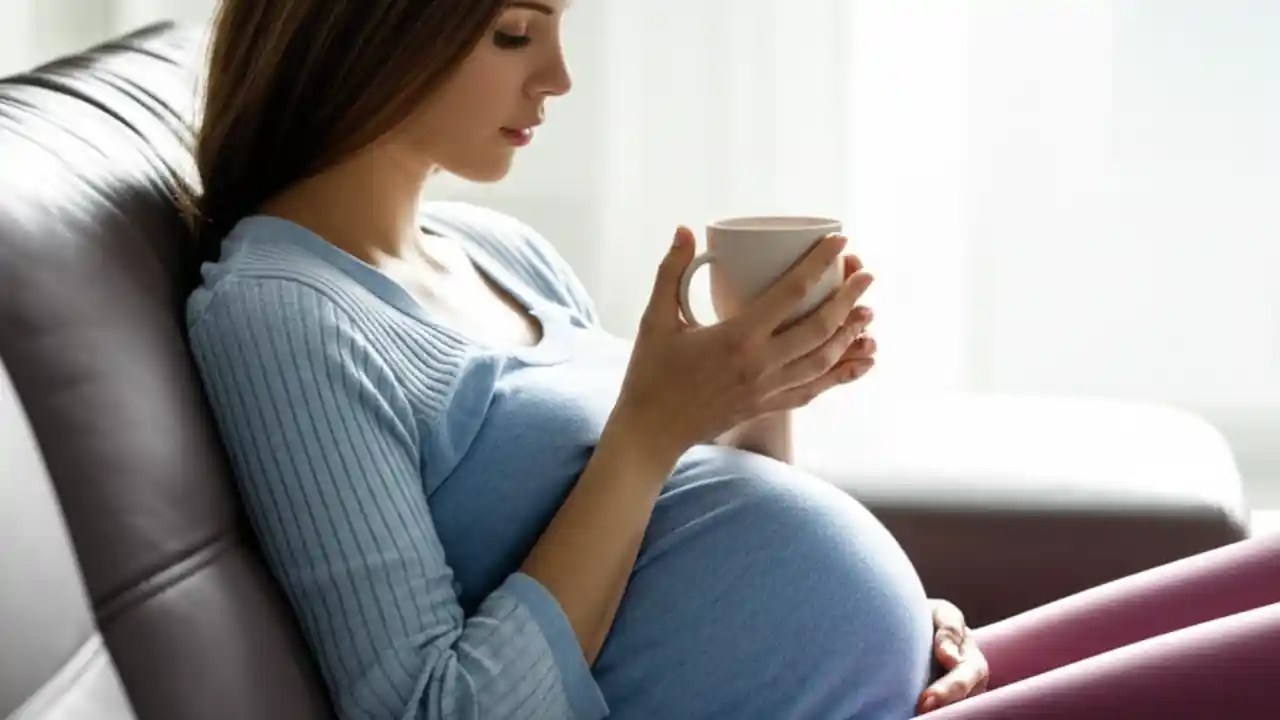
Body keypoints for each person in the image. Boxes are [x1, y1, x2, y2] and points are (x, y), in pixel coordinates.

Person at [178, 1, 1280, 718]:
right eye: (515, 32)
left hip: (895, 685)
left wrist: (766, 406)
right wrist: (651, 429)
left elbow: (682, 538)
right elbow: (434, 709)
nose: (557, 77)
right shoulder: (284, 315)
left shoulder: (492, 250)